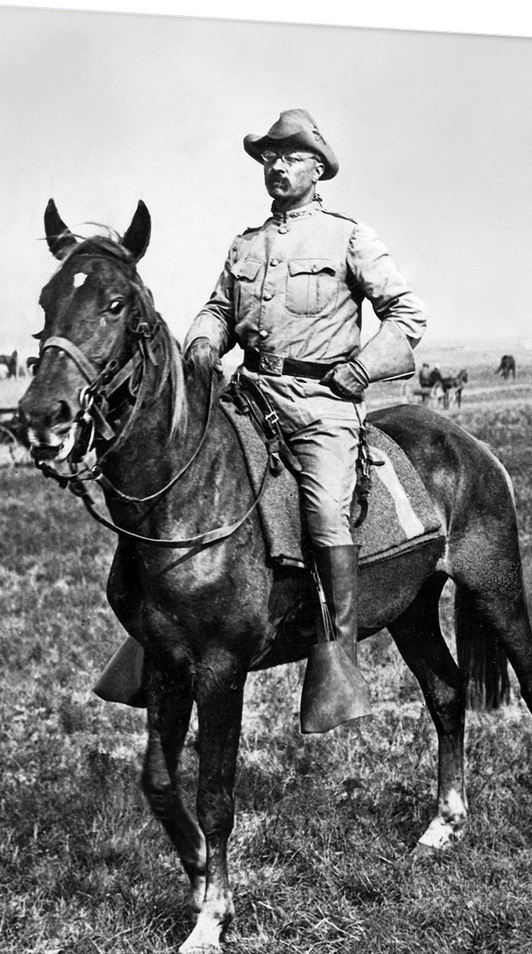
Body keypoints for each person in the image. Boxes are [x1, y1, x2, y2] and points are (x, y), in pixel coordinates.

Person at [183, 109, 427, 733]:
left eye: (289, 156)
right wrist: (205, 339)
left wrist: (365, 368)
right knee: (186, 485)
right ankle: (161, 630)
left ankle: (338, 655)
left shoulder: (348, 238)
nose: (276, 165)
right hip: (250, 393)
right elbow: (217, 307)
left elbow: (406, 316)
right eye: (269, 156)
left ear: (318, 169)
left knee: (322, 510)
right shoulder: (245, 245)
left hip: (321, 404)